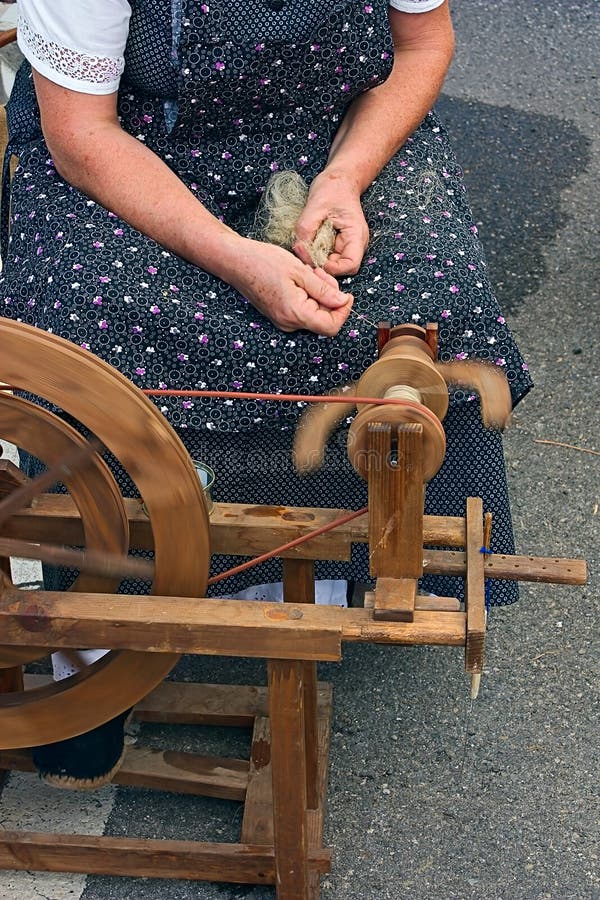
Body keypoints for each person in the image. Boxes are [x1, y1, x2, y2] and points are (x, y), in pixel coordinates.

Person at [0, 0, 532, 785]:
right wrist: (239, 260)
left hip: (330, 147)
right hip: (134, 155)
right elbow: (81, 134)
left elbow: (423, 42)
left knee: (435, 303)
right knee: (86, 329)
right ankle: (95, 629)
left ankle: (329, 564)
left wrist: (345, 180)